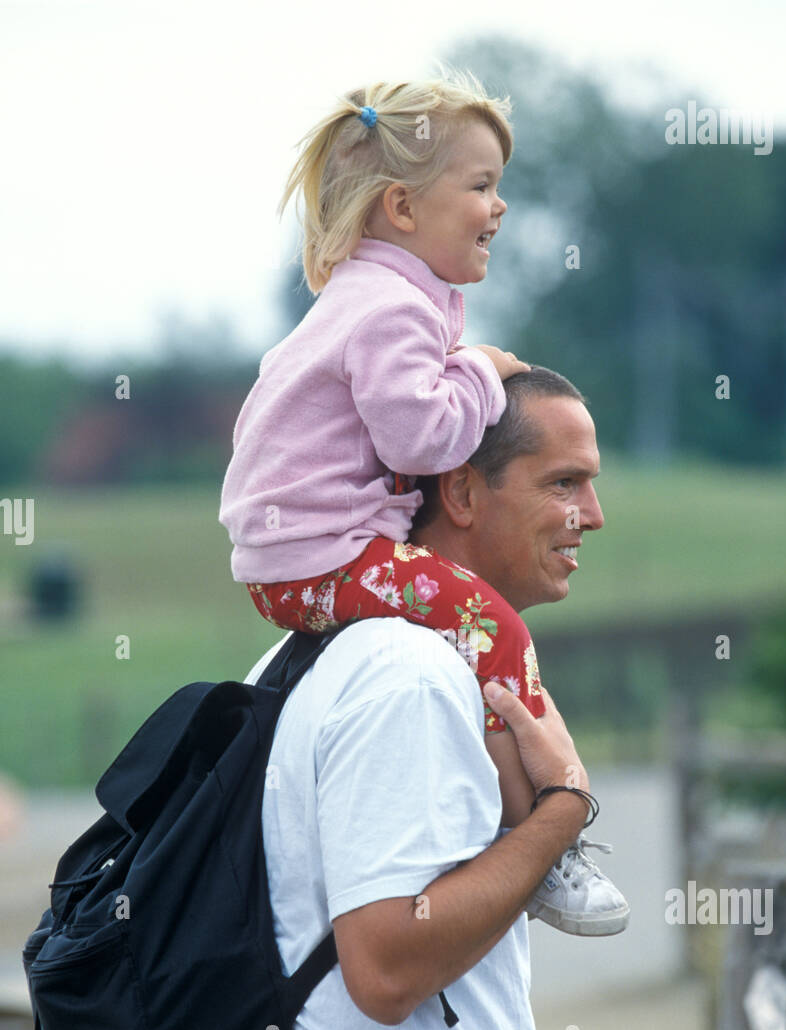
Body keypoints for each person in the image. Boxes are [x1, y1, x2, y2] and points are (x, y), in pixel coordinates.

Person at [206, 367, 622, 1030]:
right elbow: (386, 965)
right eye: (562, 482)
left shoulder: (308, 650)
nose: (591, 515)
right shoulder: (412, 669)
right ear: (462, 490)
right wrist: (560, 812)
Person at [218, 70, 627, 932]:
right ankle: (545, 843)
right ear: (402, 209)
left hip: (301, 554)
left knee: (473, 636)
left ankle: (519, 822)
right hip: (323, 557)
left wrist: (463, 361)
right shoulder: (389, 309)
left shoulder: (373, 299)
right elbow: (421, 442)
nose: (499, 207)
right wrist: (480, 371)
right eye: (479, 186)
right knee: (495, 633)